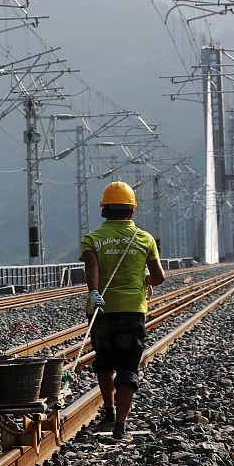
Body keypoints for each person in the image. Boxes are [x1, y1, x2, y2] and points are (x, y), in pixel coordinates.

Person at [80, 181, 165, 441]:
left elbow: (91, 269)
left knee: (104, 363)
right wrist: (145, 281)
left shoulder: (92, 239)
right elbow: (159, 276)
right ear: (131, 211)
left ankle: (108, 411)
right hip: (132, 310)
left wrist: (95, 292)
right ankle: (120, 425)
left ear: (103, 210)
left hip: (101, 310)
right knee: (128, 368)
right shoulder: (144, 238)